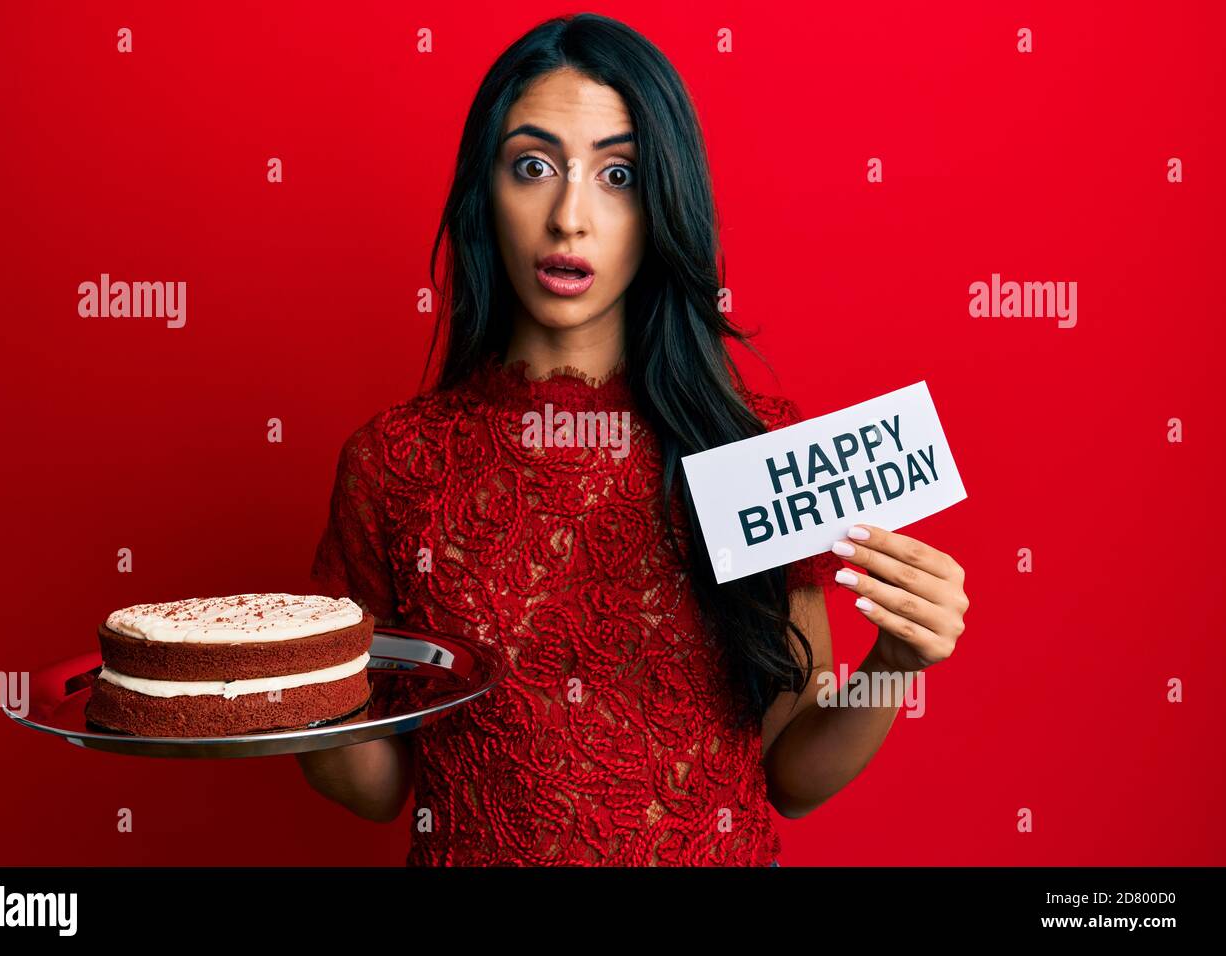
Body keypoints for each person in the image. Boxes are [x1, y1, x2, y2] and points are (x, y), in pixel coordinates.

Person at [296, 13, 969, 866]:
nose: (569, 215)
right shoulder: (393, 463)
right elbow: (378, 786)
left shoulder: (753, 450)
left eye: (620, 174)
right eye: (533, 167)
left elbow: (791, 773)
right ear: (485, 188)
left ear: (663, 204)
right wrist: (283, 698)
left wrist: (898, 660)